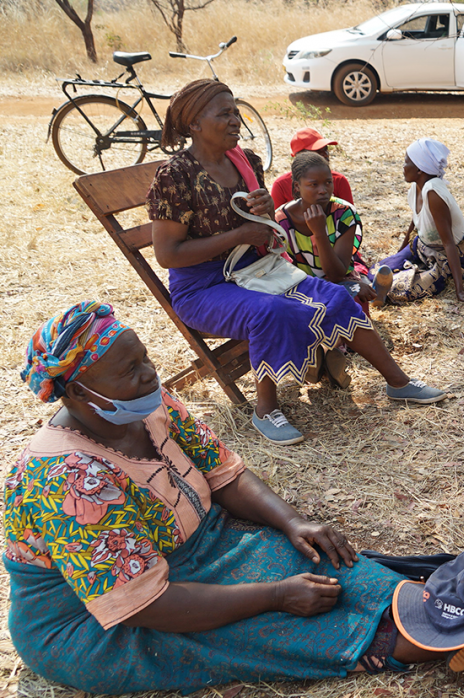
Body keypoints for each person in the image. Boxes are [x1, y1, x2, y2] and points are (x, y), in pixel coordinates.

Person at [6, 302, 464, 694]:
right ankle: (425, 642)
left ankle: (433, 611)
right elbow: (151, 604)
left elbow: (225, 477)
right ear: (79, 393)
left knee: (327, 565)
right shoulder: (64, 480)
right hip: (98, 622)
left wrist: (292, 524)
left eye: (144, 358)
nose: (150, 373)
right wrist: (276, 594)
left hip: (198, 554)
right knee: (245, 630)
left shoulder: (149, 402)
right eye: (130, 370)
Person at [147, 80, 446, 446]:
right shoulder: (176, 176)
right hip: (203, 288)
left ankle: (398, 382)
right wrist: (239, 235)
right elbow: (168, 255)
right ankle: (265, 409)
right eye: (224, 113)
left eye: (236, 111)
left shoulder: (245, 162)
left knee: (338, 296)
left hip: (257, 268)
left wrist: (261, 215)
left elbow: (263, 226)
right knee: (270, 311)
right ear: (193, 123)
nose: (236, 120)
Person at [370, 138, 464, 305]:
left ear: (419, 169)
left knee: (409, 287)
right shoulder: (416, 188)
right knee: (375, 270)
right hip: (423, 247)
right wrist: (399, 254)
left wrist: (460, 291)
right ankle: (375, 286)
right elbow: (415, 223)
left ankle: (381, 293)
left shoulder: (433, 193)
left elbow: (448, 243)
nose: (403, 167)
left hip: (448, 258)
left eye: (406, 162)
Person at [274, 151, 375, 313]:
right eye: (314, 184)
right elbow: (285, 274)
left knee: (354, 301)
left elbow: (336, 274)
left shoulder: (343, 213)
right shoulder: (281, 221)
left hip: (340, 280)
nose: (323, 190)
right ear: (297, 187)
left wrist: (319, 233)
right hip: (301, 286)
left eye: (328, 182)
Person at [270, 127, 354, 209]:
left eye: (325, 150)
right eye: (317, 152)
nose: (325, 155)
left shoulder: (339, 180)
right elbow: (276, 220)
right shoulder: (281, 185)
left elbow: (350, 216)